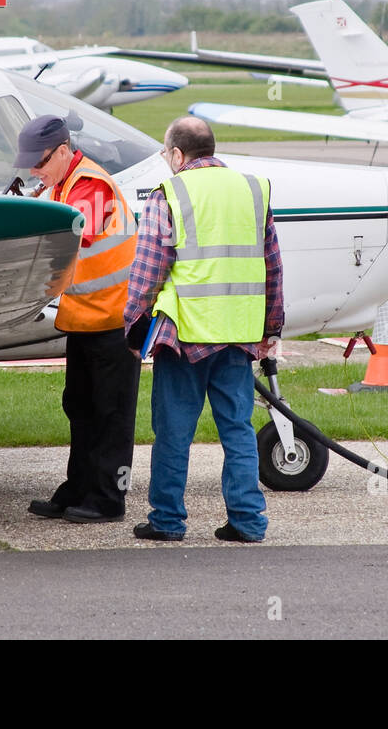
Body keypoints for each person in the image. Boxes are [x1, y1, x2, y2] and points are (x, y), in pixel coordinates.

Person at [124, 117, 283, 543]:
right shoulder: (253, 190)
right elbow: (272, 265)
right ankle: (248, 522)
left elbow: (148, 269)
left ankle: (168, 521)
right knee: (237, 429)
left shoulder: (170, 194)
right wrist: (272, 328)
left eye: (165, 155)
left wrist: (132, 323)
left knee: (175, 432)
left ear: (177, 155)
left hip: (186, 336)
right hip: (239, 334)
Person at [14, 114, 140, 524]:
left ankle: (107, 500)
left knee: (111, 414)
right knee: (81, 407)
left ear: (64, 151)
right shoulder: (63, 184)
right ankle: (78, 489)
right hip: (86, 319)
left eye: (40, 162)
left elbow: (72, 234)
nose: (34, 171)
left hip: (114, 322)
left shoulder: (91, 184)